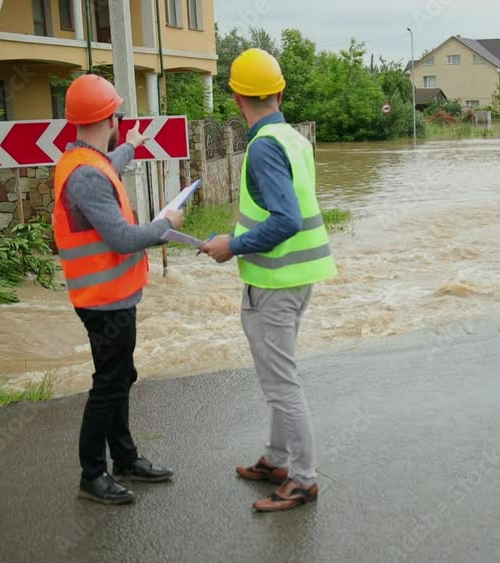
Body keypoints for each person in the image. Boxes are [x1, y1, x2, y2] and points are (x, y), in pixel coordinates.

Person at [202, 48, 338, 512]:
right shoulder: (294, 138)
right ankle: (277, 461)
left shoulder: (262, 147)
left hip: (275, 283)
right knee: (283, 377)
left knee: (282, 384)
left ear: (237, 98)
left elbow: (284, 220)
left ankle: (303, 479)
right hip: (299, 277)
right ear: (279, 91)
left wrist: (231, 245)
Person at [52, 74, 184, 505]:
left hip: (111, 297)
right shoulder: (87, 176)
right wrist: (166, 226)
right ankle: (93, 473)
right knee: (109, 383)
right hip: (104, 301)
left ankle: (125, 459)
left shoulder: (85, 160)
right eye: (119, 118)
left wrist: (136, 142)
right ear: (110, 117)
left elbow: (113, 164)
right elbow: (124, 238)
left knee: (120, 376)